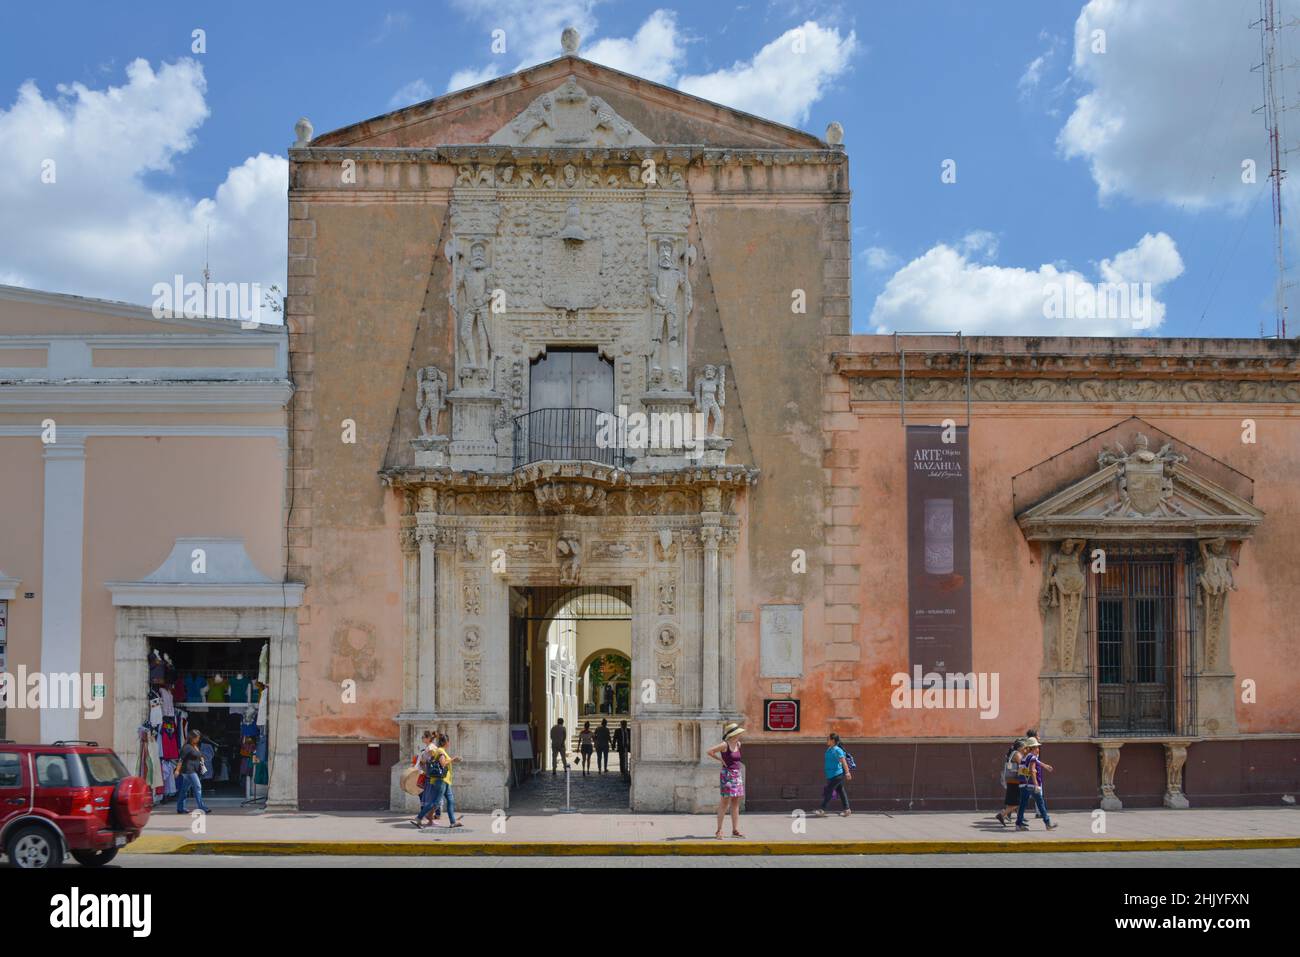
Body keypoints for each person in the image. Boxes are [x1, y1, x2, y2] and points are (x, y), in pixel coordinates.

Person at [706, 722, 746, 839]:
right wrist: (720, 760)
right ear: (732, 734)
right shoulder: (724, 745)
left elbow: (736, 760)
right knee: (724, 802)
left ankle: (735, 830)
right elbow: (709, 751)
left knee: (735, 803)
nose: (739, 734)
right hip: (727, 774)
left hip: (737, 774)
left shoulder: (738, 744)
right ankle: (719, 831)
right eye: (738, 733)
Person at [1014, 737, 1057, 831]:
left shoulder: (1025, 757)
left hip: (1023, 785)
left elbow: (1036, 762)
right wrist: (1036, 784)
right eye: (1037, 747)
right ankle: (1047, 823)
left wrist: (1045, 766)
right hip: (1031, 785)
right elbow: (1032, 771)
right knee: (1041, 804)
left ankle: (1018, 824)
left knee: (1022, 805)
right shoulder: (1032, 758)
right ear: (1032, 748)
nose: (1038, 749)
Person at [427, 733, 464, 829]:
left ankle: (453, 822)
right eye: (448, 741)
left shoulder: (442, 751)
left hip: (446, 780)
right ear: (446, 742)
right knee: (437, 801)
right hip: (442, 780)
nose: (449, 743)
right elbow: (443, 763)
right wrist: (453, 759)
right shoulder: (441, 751)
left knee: (450, 801)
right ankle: (424, 816)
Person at [814, 732, 852, 817]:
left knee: (829, 791)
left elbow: (844, 762)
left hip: (837, 774)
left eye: (828, 739)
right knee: (841, 791)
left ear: (833, 740)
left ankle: (822, 810)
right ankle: (847, 810)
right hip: (830, 774)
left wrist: (847, 772)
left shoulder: (837, 750)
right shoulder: (829, 749)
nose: (826, 740)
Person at [175, 730, 211, 814]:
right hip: (189, 770)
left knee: (184, 790)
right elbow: (181, 759)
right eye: (197, 738)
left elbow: (198, 755)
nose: (198, 739)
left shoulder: (195, 746)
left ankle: (180, 808)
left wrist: (201, 758)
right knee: (198, 787)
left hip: (193, 770)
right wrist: (177, 770)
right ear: (192, 738)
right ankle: (202, 807)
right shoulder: (187, 747)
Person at [996, 737, 1026, 827]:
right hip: (1015, 781)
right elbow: (1023, 766)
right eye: (1025, 747)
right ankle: (1001, 815)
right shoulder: (1017, 754)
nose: (1026, 748)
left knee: (1013, 803)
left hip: (1012, 781)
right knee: (1017, 802)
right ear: (1020, 747)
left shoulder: (1014, 753)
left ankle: (1016, 819)